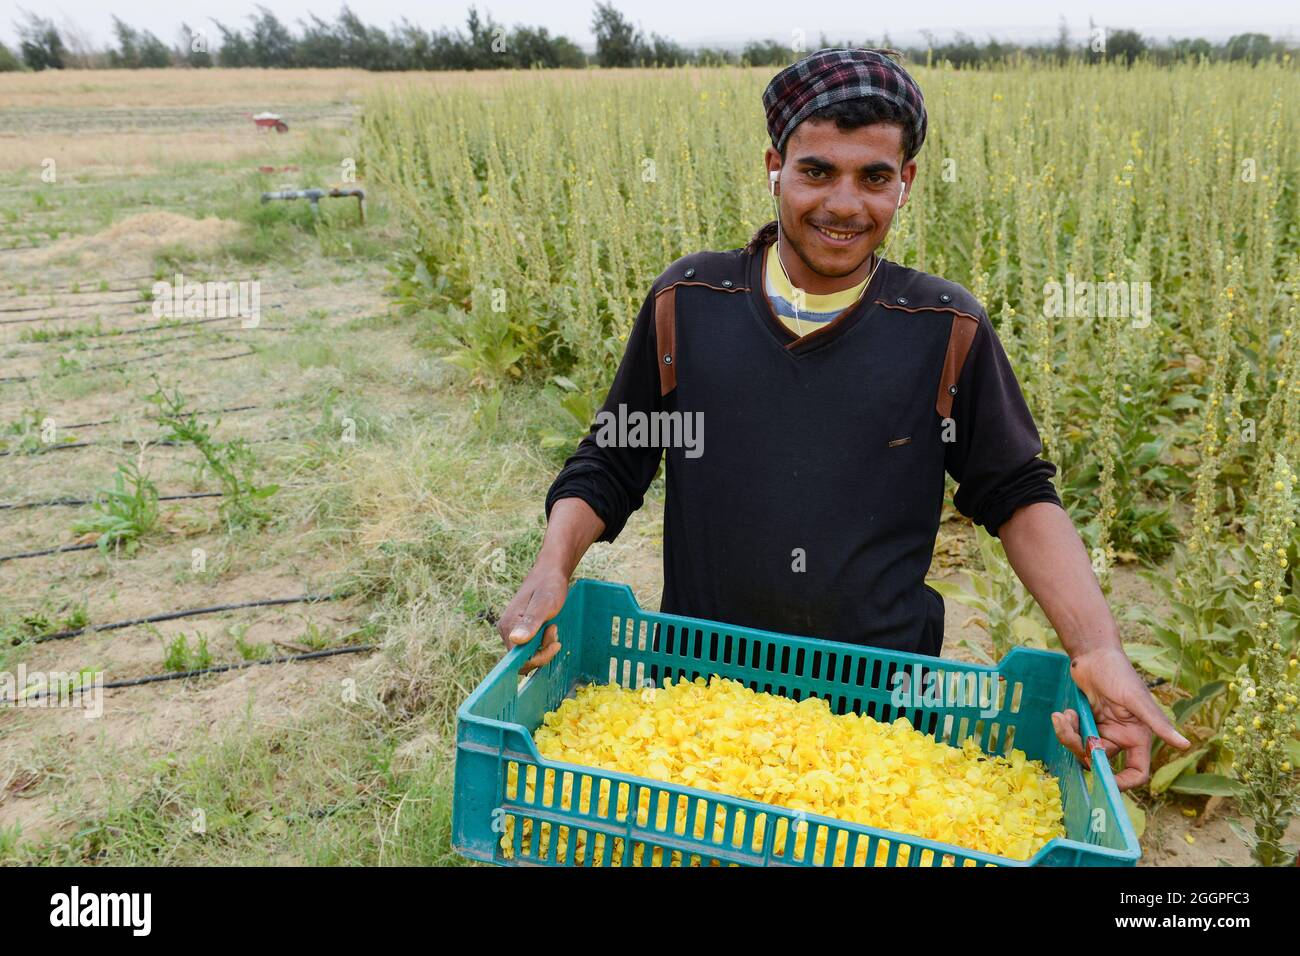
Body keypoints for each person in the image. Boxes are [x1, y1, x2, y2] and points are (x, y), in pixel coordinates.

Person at [499, 48, 1189, 790]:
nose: (844, 204)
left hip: (880, 715)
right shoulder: (691, 303)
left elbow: (1017, 492)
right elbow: (613, 460)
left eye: (875, 178)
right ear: (775, 166)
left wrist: (1096, 649)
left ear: (908, 183)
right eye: (817, 171)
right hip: (699, 700)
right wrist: (552, 567)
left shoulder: (942, 326)